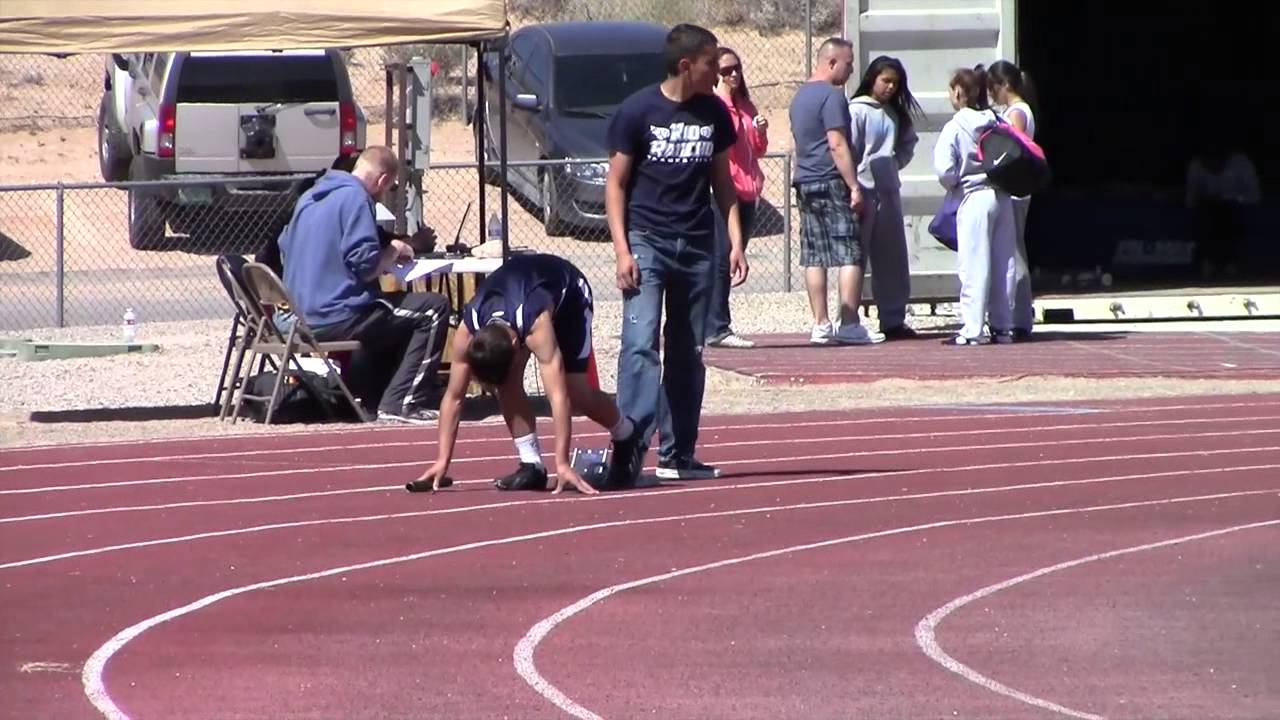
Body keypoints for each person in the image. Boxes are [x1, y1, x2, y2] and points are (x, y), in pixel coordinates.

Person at [605, 23, 748, 480]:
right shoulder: (637, 111)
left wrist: (736, 241)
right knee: (640, 345)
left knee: (688, 351)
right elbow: (616, 184)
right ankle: (629, 449)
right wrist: (623, 250)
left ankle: (678, 453)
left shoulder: (714, 113)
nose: (718, 72)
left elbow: (722, 182)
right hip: (648, 240)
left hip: (698, 245)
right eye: (711, 63)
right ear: (687, 65)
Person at [411, 253, 644, 495]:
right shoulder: (468, 331)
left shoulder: (535, 326)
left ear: (517, 345)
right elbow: (453, 398)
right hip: (521, 294)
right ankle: (531, 464)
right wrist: (442, 460)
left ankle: (626, 434)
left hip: (570, 297)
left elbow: (558, 397)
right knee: (507, 383)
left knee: (576, 392)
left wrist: (562, 463)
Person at [278, 146, 450, 423]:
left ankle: (374, 394)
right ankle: (402, 403)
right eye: (389, 187)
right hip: (334, 315)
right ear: (383, 180)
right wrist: (394, 250)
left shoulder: (310, 197)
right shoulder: (357, 199)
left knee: (392, 310)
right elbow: (366, 267)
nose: (385, 193)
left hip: (297, 316)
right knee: (433, 309)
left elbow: (284, 247)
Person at [788, 38, 885, 345]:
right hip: (831, 180)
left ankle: (820, 324)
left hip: (805, 181)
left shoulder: (800, 97)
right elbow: (837, 143)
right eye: (848, 62)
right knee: (849, 252)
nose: (852, 69)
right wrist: (853, 185)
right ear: (831, 63)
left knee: (814, 255)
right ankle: (849, 322)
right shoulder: (832, 97)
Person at [933, 66, 1016, 345]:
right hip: (1002, 195)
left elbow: (945, 171)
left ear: (958, 92)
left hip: (974, 196)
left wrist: (956, 183)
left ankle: (972, 329)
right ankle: (1003, 327)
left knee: (974, 264)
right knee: (1004, 263)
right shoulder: (997, 121)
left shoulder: (955, 126)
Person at [848, 55, 923, 339]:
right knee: (855, 257)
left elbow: (908, 143)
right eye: (886, 81)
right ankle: (849, 318)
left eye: (896, 83)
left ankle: (892, 318)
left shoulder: (894, 114)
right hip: (862, 192)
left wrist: (893, 164)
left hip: (888, 192)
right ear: (873, 79)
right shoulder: (856, 111)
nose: (890, 87)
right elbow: (848, 149)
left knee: (892, 258)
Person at [706, 46, 768, 349]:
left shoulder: (746, 105)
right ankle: (717, 327)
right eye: (726, 70)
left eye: (737, 68)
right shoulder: (716, 107)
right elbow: (723, 149)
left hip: (747, 190)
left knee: (734, 255)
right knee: (722, 256)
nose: (733, 74)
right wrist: (726, 99)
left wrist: (759, 132)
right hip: (722, 191)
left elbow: (758, 150)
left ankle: (714, 323)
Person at [987, 60, 1038, 338]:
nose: (991, 94)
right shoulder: (1017, 109)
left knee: (1014, 252)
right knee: (1013, 250)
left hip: (1015, 191)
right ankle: (1017, 314)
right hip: (1017, 190)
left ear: (1004, 85)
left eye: (993, 88)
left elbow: (1013, 149)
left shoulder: (1017, 112)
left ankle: (1019, 317)